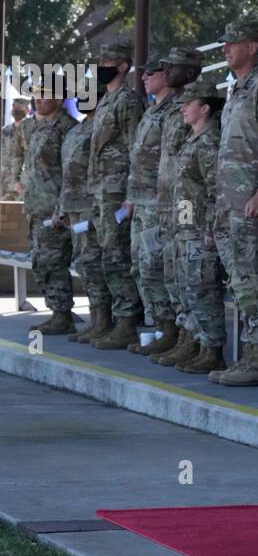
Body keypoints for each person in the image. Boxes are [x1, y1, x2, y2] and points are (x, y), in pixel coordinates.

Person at [204, 20, 258, 387]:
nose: (225, 49)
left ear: (253, 47)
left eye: (233, 42)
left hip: (251, 203)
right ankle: (249, 356)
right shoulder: (235, 90)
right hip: (230, 202)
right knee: (240, 280)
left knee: (254, 279)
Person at [147, 46, 204, 364]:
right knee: (171, 272)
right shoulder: (173, 107)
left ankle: (196, 339)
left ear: (192, 71)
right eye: (165, 67)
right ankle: (180, 334)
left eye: (174, 66)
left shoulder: (200, 103)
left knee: (190, 274)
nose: (167, 71)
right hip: (168, 201)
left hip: (189, 203)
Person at [120, 59, 182, 352]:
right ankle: (160, 326)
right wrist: (130, 197)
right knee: (140, 267)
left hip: (160, 202)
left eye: (151, 72)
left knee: (156, 265)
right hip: (141, 201)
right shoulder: (151, 110)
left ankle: (171, 329)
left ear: (166, 76)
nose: (144, 77)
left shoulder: (175, 110)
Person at [86, 41, 145, 350]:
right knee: (104, 255)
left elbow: (137, 149)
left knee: (117, 256)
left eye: (108, 60)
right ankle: (106, 320)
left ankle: (126, 322)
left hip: (119, 189)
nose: (101, 64)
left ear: (123, 66)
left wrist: (131, 194)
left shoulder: (129, 101)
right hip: (101, 190)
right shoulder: (106, 102)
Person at [170, 78, 227, 374]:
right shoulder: (191, 139)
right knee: (189, 288)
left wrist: (210, 228)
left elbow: (216, 189)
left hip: (200, 229)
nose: (182, 108)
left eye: (188, 104)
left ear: (204, 108)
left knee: (204, 289)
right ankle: (196, 341)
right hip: (184, 228)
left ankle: (213, 349)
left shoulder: (208, 142)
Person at [54, 87, 110, 343]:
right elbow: (67, 174)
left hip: (91, 206)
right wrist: (62, 208)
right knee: (84, 265)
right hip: (74, 207)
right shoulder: (77, 129)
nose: (81, 101)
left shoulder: (102, 130)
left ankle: (103, 321)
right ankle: (94, 319)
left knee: (94, 264)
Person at [22, 76, 76, 332]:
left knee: (54, 262)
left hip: (54, 210)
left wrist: (62, 209)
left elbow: (71, 174)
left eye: (44, 94)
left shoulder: (66, 129)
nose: (38, 99)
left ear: (59, 98)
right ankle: (57, 311)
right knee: (42, 262)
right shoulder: (41, 127)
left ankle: (62, 314)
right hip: (37, 208)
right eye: (36, 94)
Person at [1, 101, 29, 200]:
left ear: (27, 110)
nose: (15, 108)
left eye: (19, 106)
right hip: (4, 182)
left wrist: (21, 181)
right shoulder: (5, 131)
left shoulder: (31, 131)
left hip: (22, 185)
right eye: (14, 106)